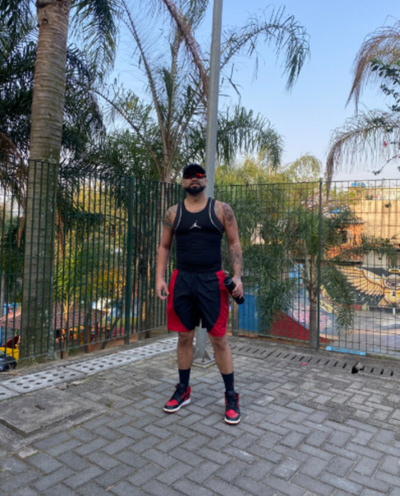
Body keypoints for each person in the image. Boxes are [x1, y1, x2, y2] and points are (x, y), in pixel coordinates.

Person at [156, 163, 244, 425]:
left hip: (212, 281)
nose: (194, 179)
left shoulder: (221, 210)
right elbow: (164, 246)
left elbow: (234, 243)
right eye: (188, 176)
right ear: (182, 182)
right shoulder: (173, 213)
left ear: (205, 180)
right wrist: (160, 278)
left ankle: (231, 396)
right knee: (184, 337)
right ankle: (183, 390)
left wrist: (237, 276)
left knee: (219, 340)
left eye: (198, 175)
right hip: (182, 280)